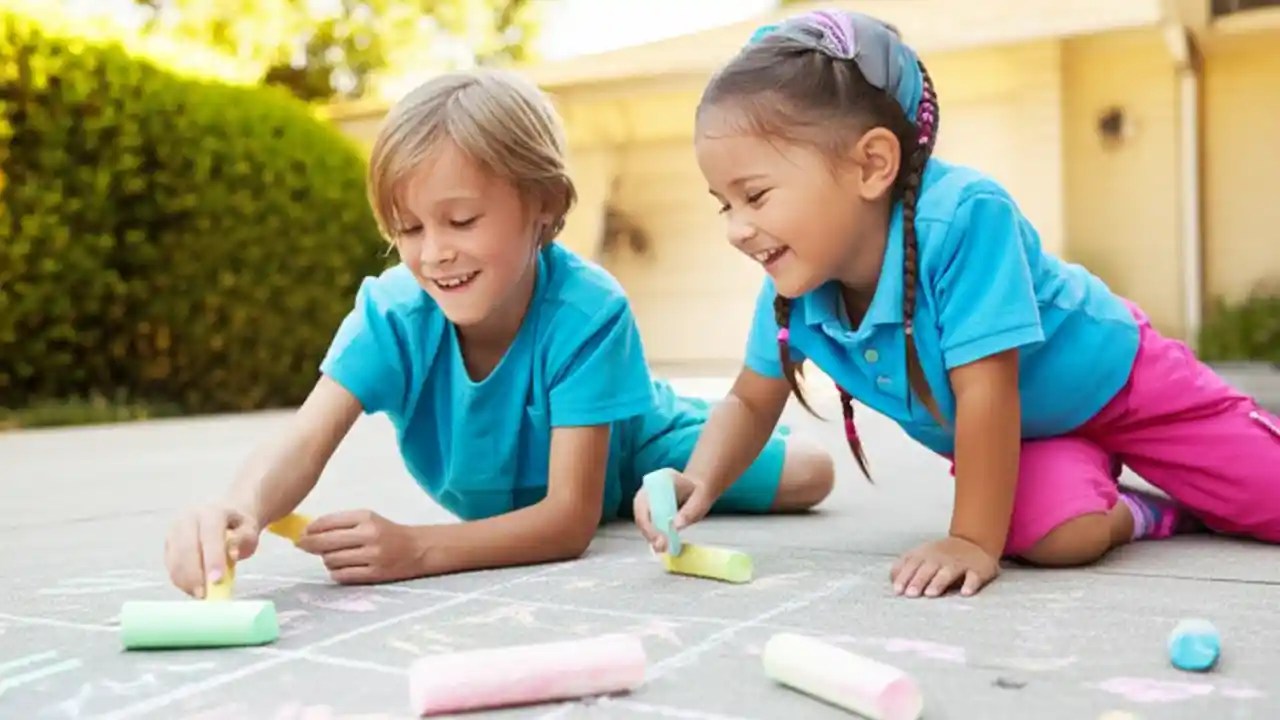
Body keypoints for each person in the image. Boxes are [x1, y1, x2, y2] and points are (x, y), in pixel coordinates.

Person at [634, 9, 1280, 598]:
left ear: (871, 165)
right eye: (724, 204)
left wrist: (970, 539)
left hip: (1122, 382)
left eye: (755, 195)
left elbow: (986, 391)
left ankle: (1201, 476)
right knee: (1057, 536)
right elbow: (750, 399)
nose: (737, 229)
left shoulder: (964, 216)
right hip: (1029, 434)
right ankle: (1158, 508)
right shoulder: (796, 285)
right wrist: (700, 483)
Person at [162, 68, 834, 597]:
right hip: (535, 488)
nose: (433, 254)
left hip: (636, 444)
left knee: (810, 473)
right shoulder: (393, 314)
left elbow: (570, 521)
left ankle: (661, 485)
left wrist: (417, 548)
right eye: (410, 228)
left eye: (460, 221)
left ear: (542, 206)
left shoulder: (588, 310)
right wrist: (238, 506)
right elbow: (305, 438)